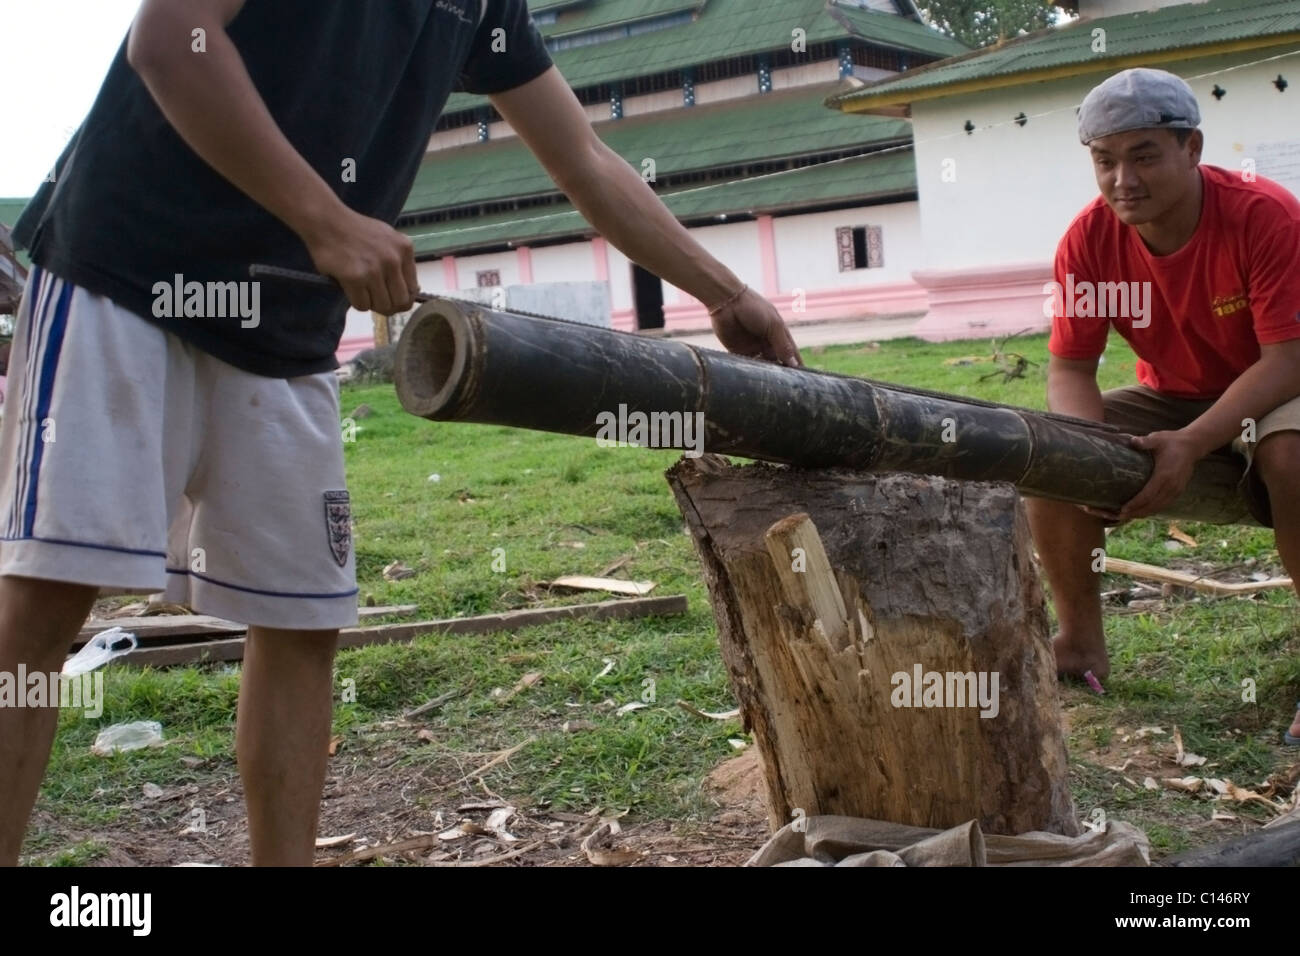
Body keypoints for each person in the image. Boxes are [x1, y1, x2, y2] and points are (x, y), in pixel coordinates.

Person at [0, 0, 801, 866]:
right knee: (47, 602)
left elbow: (585, 158)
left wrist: (723, 293)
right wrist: (329, 221)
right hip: (126, 276)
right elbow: (168, 40)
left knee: (302, 623)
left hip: (288, 321)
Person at [1026, 68, 1300, 745]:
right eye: (1105, 160)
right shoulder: (1088, 241)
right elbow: (1069, 368)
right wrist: (1083, 456)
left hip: (1278, 385)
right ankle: (1081, 645)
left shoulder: (1264, 216)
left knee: (1290, 455)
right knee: (1048, 454)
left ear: (1192, 149)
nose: (1124, 179)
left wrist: (1195, 441)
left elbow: (1287, 360)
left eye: (1144, 154)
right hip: (1170, 395)